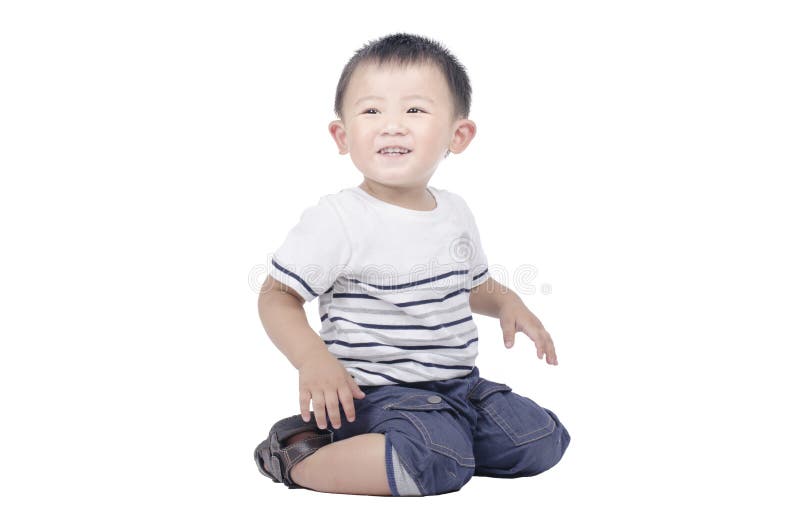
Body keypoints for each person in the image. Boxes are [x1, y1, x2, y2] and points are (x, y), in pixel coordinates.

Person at [254, 32, 570, 497]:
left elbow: (472, 285)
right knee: (436, 459)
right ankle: (297, 457)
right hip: (373, 396)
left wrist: (509, 303)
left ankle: (436, 446)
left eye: (415, 111)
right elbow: (276, 297)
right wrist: (313, 359)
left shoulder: (455, 212)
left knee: (542, 439)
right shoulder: (339, 219)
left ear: (457, 136)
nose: (392, 126)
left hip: (460, 388)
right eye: (371, 110)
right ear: (342, 135)